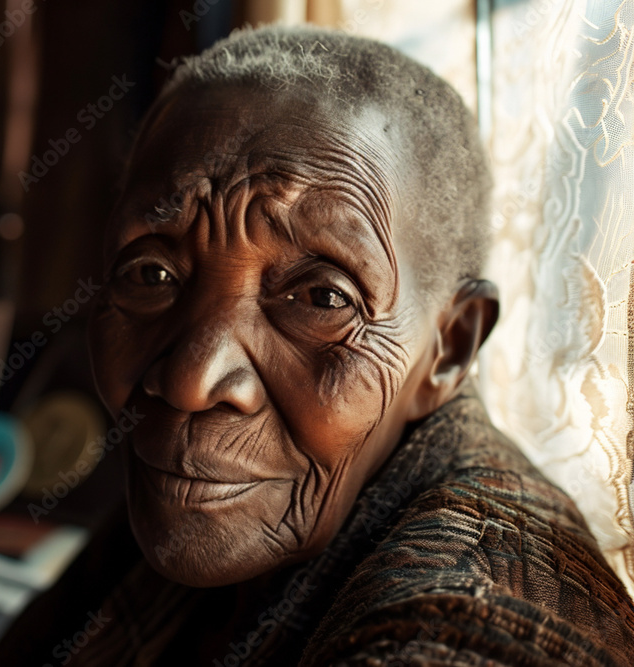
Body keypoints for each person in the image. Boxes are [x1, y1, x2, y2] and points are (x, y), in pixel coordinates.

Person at [71, 24, 634, 665]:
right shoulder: (195, 487)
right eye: (152, 275)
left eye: (323, 299)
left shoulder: (477, 618)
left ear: (449, 346)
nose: (189, 382)